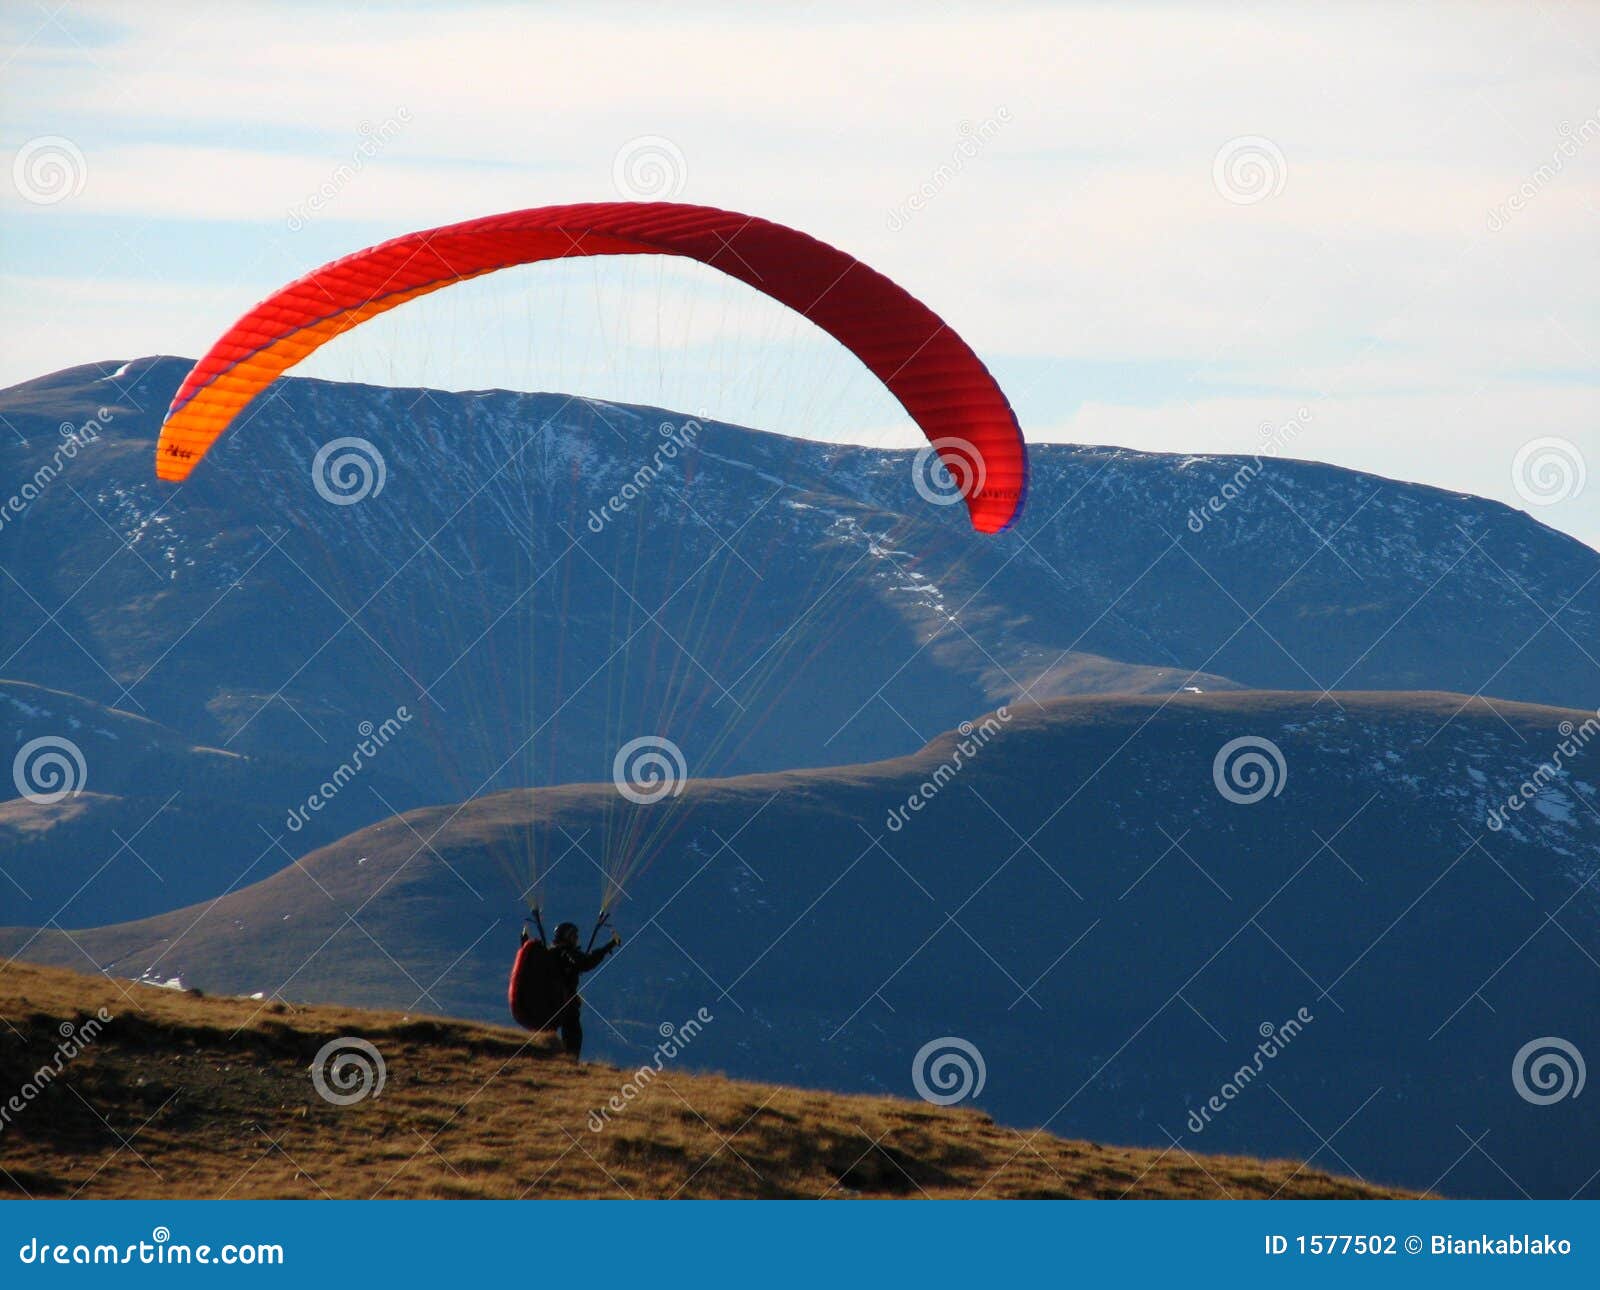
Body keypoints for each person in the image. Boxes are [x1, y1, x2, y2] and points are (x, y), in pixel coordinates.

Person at [544, 920, 620, 1059]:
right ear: (566, 937)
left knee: (549, 1034)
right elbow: (585, 963)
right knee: (572, 1035)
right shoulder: (566, 953)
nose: (576, 938)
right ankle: (569, 1063)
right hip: (565, 1002)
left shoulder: (550, 954)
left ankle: (551, 1061)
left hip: (550, 1003)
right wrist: (609, 945)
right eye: (573, 935)